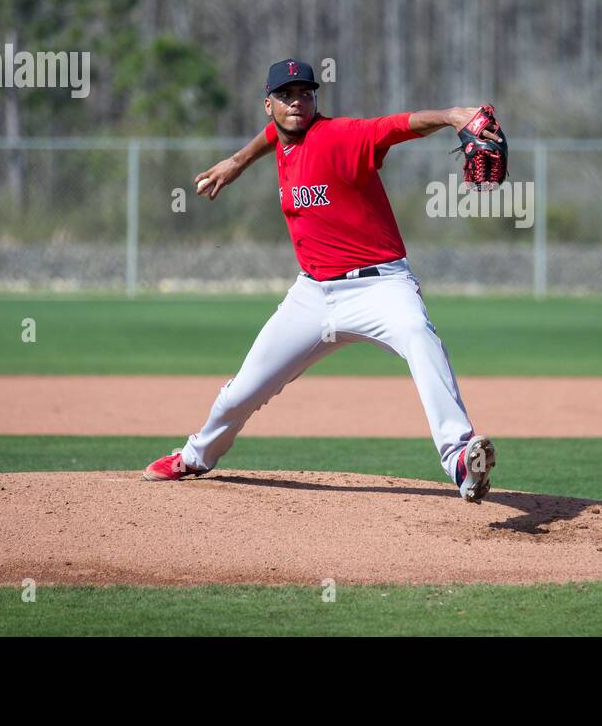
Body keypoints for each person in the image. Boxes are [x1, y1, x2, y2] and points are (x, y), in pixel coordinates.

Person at [142, 58, 501, 502]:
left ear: (316, 99)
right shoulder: (281, 134)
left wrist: (451, 116)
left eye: (306, 94)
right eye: (287, 95)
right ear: (268, 104)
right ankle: (195, 456)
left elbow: (398, 126)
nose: (297, 102)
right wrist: (236, 162)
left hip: (380, 286)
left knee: (419, 338)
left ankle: (461, 459)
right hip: (312, 295)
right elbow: (273, 136)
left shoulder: (341, 135)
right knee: (243, 391)